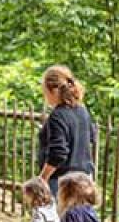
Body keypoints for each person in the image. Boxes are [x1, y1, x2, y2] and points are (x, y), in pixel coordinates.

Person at [37, 64, 99, 193]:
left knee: (58, 214)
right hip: (84, 180)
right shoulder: (82, 111)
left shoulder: (57, 115)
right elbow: (92, 138)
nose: (45, 96)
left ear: (53, 90)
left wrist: (42, 179)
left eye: (45, 91)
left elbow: (58, 153)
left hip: (63, 184)